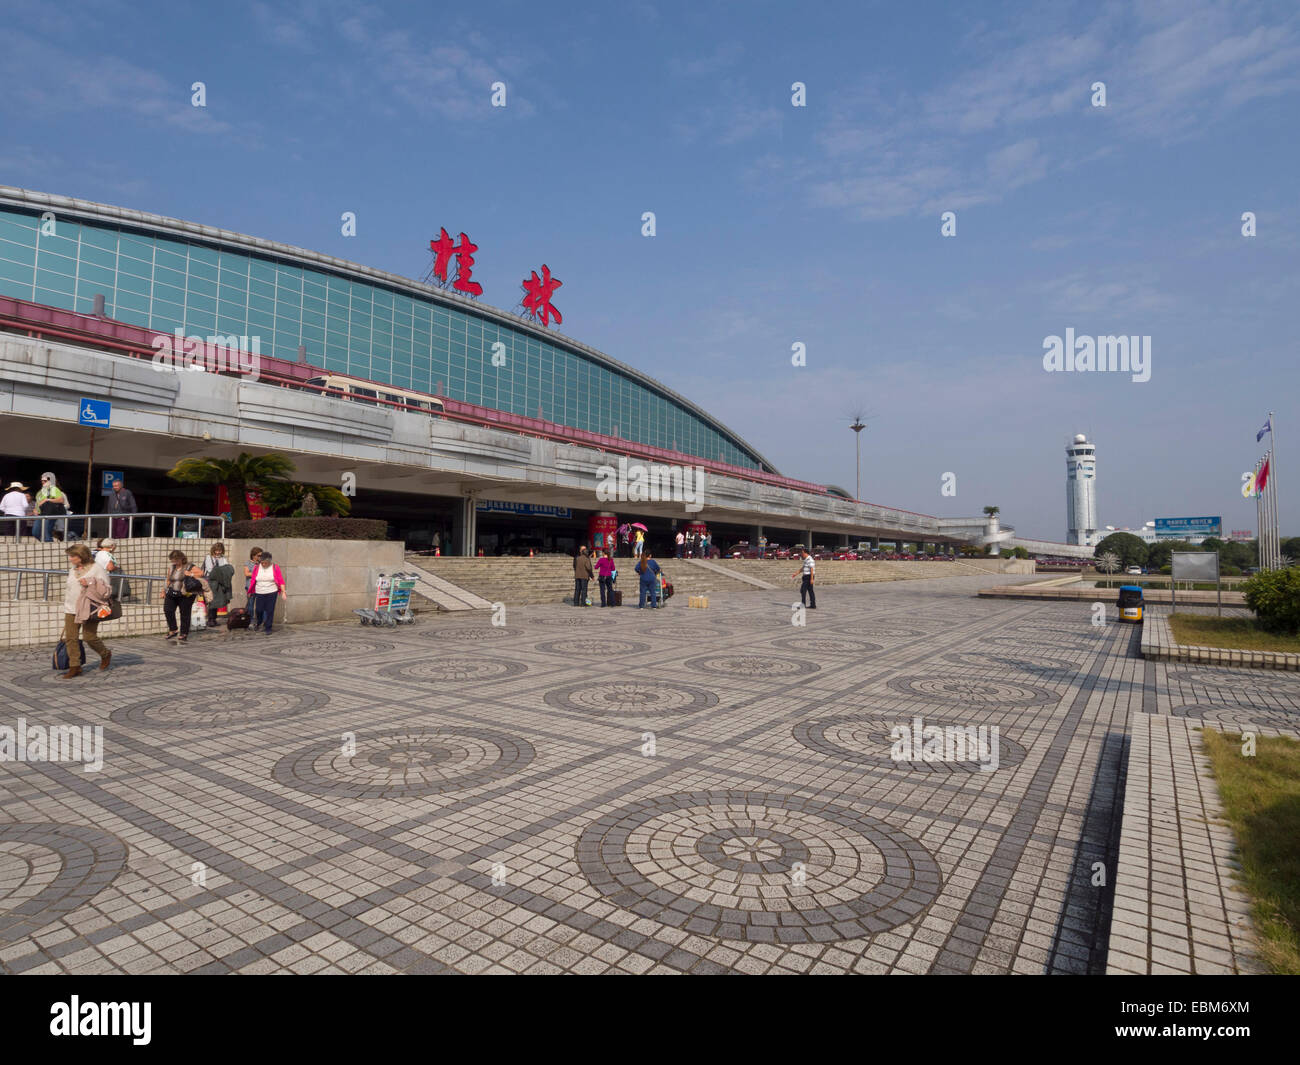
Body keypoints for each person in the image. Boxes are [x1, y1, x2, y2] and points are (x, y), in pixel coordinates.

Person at [60, 543, 112, 677]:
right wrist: (66, 606)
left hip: (90, 608)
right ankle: (75, 666)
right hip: (71, 608)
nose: (70, 559)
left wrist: (90, 582)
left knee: (89, 637)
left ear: (81, 556)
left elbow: (106, 590)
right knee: (71, 638)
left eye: (72, 556)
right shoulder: (73, 569)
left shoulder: (97, 569)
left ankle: (105, 654)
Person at [162, 549, 204, 642]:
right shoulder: (172, 567)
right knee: (168, 610)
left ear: (181, 558)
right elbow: (168, 579)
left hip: (186, 594)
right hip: (172, 592)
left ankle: (184, 633)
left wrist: (190, 574)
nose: (174, 562)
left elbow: (201, 573)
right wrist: (163, 590)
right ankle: (173, 629)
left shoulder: (189, 566)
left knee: (184, 613)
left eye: (176, 560)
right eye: (173, 560)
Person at [248, 551, 287, 633]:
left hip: (272, 591)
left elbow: (280, 580)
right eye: (262, 563)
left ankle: (268, 627)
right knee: (259, 609)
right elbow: (253, 580)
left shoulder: (275, 567)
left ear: (270, 561)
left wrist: (283, 592)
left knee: (270, 610)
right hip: (259, 591)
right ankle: (259, 622)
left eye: (266, 563)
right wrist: (250, 591)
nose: (264, 564)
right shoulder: (257, 567)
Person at [203, 543, 234, 623]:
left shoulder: (223, 558)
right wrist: (220, 570)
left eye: (220, 551)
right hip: (211, 581)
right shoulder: (209, 557)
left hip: (219, 581)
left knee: (218, 600)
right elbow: (210, 570)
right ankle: (210, 619)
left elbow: (226, 568)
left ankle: (214, 618)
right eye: (216, 550)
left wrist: (221, 571)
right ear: (213, 550)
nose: (218, 552)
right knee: (212, 600)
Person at [34, 472, 68, 542]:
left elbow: (61, 500)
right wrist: (35, 509)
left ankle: (48, 544)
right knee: (36, 532)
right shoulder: (41, 491)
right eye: (42, 481)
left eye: (45, 481)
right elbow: (38, 503)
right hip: (40, 514)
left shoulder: (54, 489)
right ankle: (47, 543)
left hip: (50, 514)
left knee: (46, 532)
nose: (43, 482)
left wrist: (47, 499)